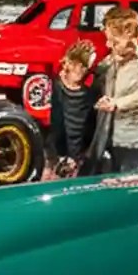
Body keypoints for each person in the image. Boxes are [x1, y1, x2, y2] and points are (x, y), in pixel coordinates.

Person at [88, 6, 138, 173]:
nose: (108, 44)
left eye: (114, 41)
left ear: (130, 35)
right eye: (108, 39)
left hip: (136, 147)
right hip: (106, 144)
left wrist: (122, 103)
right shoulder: (108, 63)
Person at [44, 39, 101, 179]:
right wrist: (57, 156)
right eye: (78, 65)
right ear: (69, 62)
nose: (81, 70)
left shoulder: (91, 91)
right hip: (55, 153)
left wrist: (77, 157)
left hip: (79, 155)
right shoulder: (54, 86)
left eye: (85, 67)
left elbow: (90, 127)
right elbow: (53, 123)